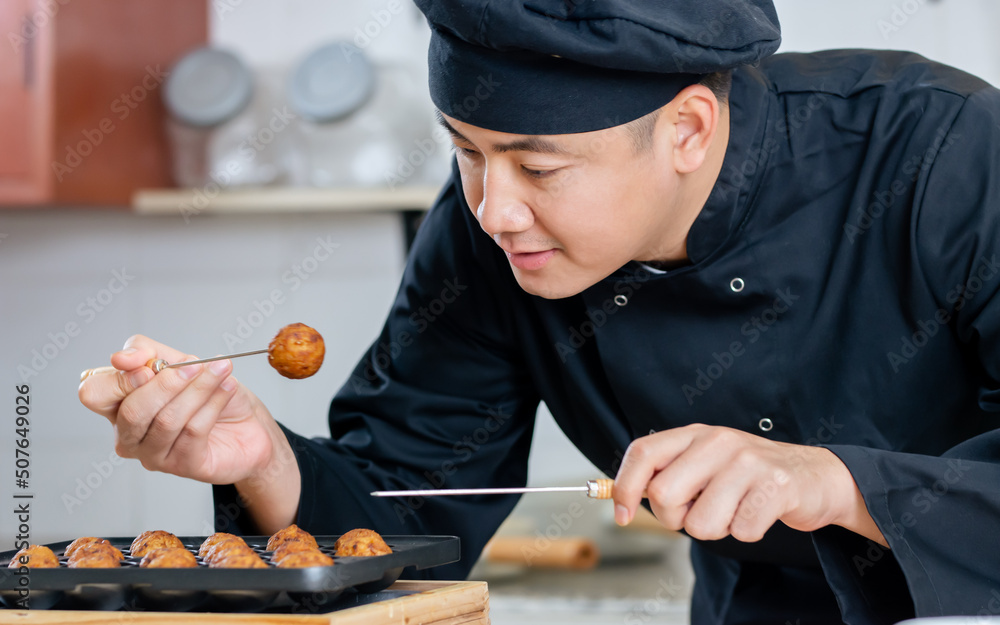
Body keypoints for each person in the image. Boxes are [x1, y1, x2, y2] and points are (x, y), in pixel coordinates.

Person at [78, 1, 1000, 622]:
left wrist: (832, 481)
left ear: (687, 130)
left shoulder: (946, 158)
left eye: (539, 168)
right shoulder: (492, 235)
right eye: (466, 153)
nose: (493, 208)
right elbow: (407, 518)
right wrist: (265, 460)